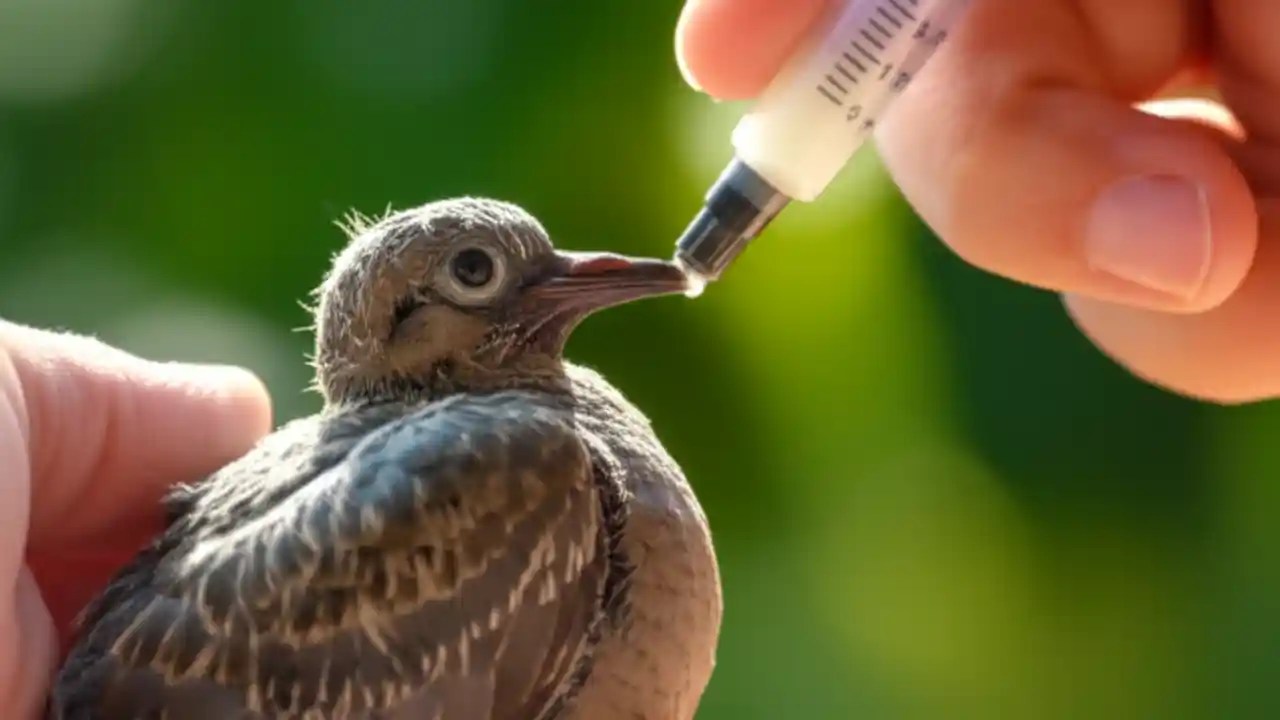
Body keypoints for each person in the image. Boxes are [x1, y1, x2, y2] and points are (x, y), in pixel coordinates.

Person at [7, 0, 1279, 713]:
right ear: (410, 340)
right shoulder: (509, 465)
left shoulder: (522, 454)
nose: (587, 276)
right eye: (478, 282)